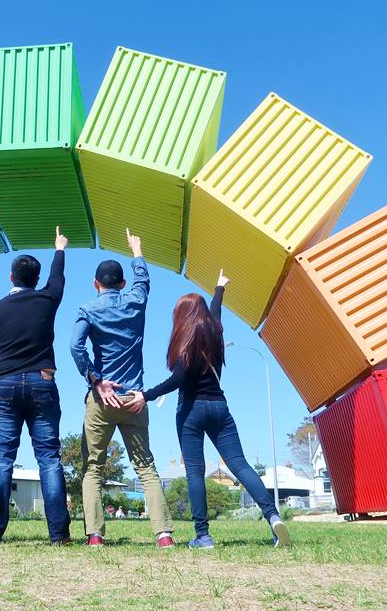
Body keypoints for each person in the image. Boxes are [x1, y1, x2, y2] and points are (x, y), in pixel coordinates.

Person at [129, 270, 291, 549]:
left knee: (195, 471)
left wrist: (145, 396)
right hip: (219, 408)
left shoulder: (185, 344)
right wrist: (219, 288)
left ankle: (203, 536)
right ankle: (273, 516)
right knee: (239, 464)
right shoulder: (214, 334)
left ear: (181, 318)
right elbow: (215, 313)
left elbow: (178, 379)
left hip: (191, 411)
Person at [69, 228, 173, 548]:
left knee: (93, 469)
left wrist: (95, 378)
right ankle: (164, 535)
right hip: (133, 399)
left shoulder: (88, 309)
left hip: (102, 399)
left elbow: (75, 347)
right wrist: (136, 251)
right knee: (146, 468)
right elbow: (143, 282)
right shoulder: (135, 301)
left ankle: (95, 535)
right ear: (123, 283)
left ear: (96, 284)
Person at [0, 227, 72, 545]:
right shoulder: (47, 299)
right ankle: (59, 535)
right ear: (36, 278)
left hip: (2, 385)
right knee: (49, 457)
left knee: (2, 457)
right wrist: (59, 249)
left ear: (11, 277)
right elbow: (58, 279)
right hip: (42, 381)